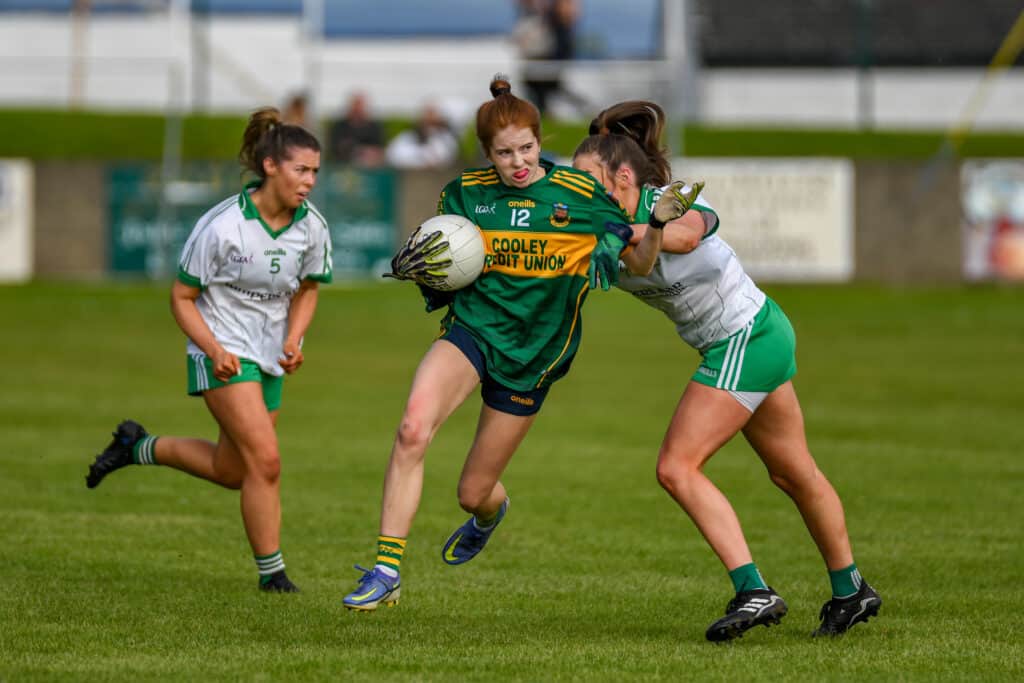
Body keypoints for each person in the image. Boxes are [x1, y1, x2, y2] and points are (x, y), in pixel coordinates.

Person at [340, 76, 699, 611]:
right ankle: (386, 571)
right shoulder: (465, 193)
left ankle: (490, 513)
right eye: (505, 153)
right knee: (413, 428)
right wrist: (422, 266)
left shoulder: (580, 195)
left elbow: (639, 262)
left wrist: (649, 228)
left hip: (535, 355)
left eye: (527, 148)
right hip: (473, 332)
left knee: (473, 493)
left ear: (539, 140)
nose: (519, 162)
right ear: (487, 153)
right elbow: (447, 260)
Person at [572, 100, 883, 640]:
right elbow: (602, 266)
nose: (578, 193)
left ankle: (753, 589)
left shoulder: (668, 201)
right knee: (793, 473)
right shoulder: (600, 228)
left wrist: (637, 232)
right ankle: (852, 589)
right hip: (751, 339)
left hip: (746, 335)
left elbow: (688, 235)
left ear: (623, 176)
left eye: (586, 181)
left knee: (676, 467)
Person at [86, 107, 333, 594]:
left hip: (269, 357)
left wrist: (293, 338)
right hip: (220, 349)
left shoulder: (313, 227)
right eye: (301, 170)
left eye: (315, 173)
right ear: (271, 167)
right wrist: (213, 348)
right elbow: (181, 298)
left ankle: (137, 446)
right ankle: (273, 577)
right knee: (267, 461)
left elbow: (308, 288)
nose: (309, 181)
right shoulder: (222, 226)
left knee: (233, 470)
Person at [384, 102, 460, 170]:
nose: (429, 119)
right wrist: (421, 160)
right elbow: (393, 154)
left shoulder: (446, 138)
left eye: (433, 115)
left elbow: (446, 157)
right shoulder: (408, 136)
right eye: (427, 115)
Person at [327, 91, 386, 166]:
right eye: (356, 106)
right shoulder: (339, 126)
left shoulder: (374, 127)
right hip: (344, 166)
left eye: (360, 107)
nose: (358, 110)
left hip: (370, 167)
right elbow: (335, 147)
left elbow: (380, 149)